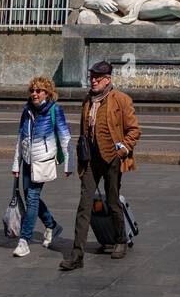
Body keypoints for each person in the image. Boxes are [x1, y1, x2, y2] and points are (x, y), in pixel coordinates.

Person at [59, 61, 140, 271]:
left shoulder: (121, 99)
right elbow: (83, 133)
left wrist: (122, 150)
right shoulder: (87, 101)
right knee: (84, 205)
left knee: (113, 201)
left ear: (108, 79)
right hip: (91, 160)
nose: (93, 80)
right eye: (92, 77)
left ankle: (120, 239)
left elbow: (134, 131)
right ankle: (77, 255)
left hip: (112, 159)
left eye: (98, 77)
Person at [10, 75, 73, 258]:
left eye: (39, 91)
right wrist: (16, 163)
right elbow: (20, 138)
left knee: (32, 198)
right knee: (32, 198)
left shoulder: (55, 110)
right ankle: (52, 225)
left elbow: (65, 137)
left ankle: (24, 240)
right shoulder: (26, 110)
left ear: (47, 93)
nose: (34, 94)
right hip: (28, 162)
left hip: (43, 162)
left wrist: (69, 164)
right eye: (32, 91)